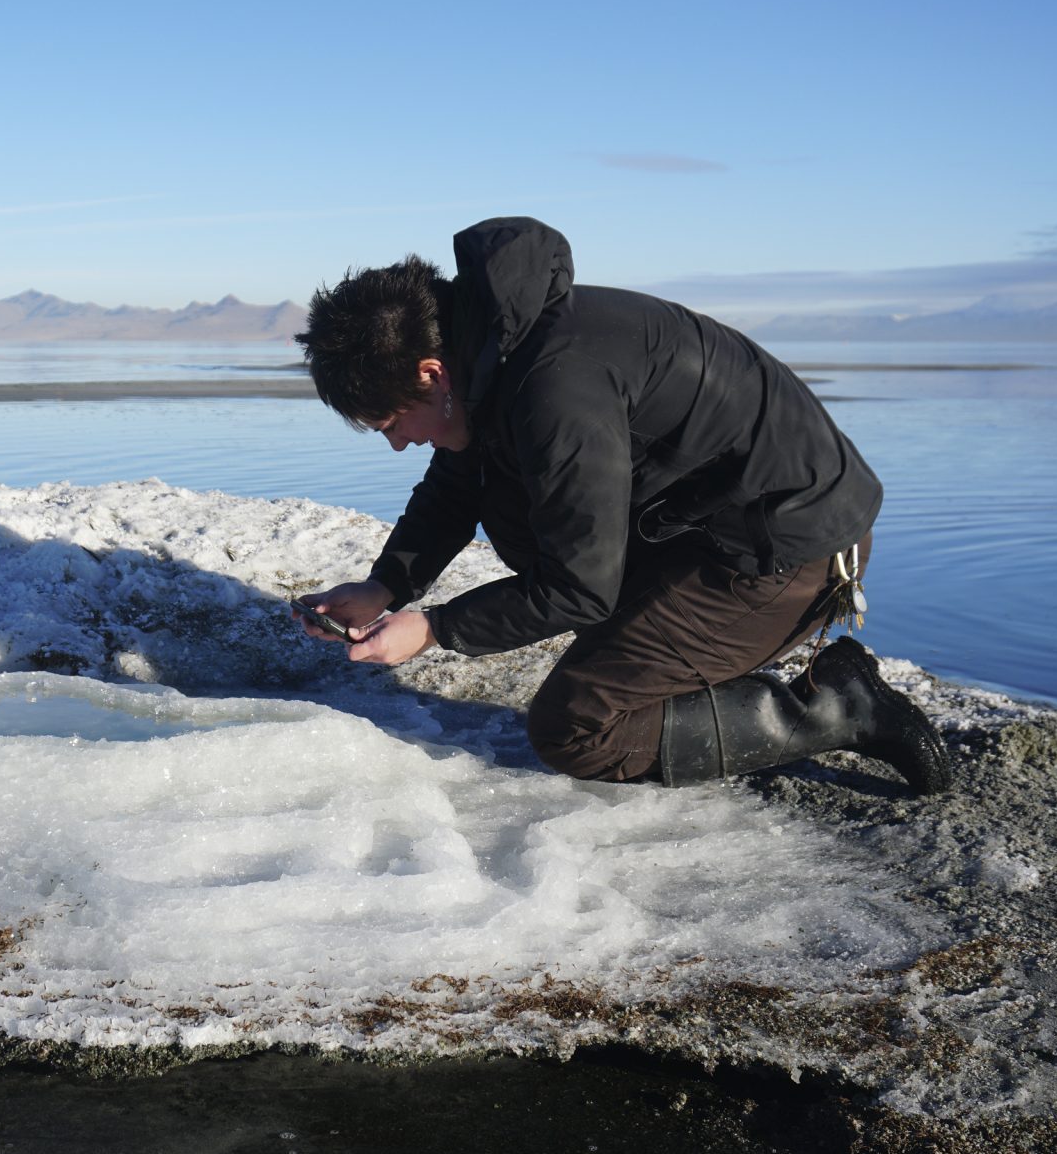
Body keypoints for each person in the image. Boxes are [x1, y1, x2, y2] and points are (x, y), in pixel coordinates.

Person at [293, 216, 950, 795]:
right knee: (520, 513)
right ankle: (680, 653)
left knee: (576, 728)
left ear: (429, 374)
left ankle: (835, 705)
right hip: (720, 532)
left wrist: (436, 629)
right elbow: (459, 482)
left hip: (788, 555)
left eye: (388, 424)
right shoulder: (499, 347)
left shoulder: (554, 389)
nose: (400, 445)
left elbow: (580, 589)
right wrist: (385, 586)